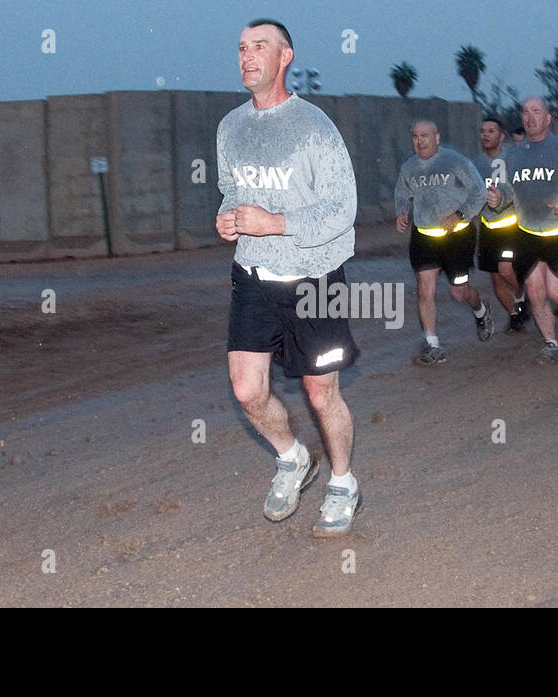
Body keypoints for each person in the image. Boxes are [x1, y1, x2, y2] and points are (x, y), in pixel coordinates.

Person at [215, 19, 361, 537]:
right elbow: (231, 189)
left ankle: (343, 483)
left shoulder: (314, 127)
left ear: (285, 57)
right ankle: (293, 457)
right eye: (241, 48)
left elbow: (344, 209)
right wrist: (228, 216)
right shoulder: (230, 127)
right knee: (246, 390)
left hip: (313, 280)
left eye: (260, 47)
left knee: (321, 394)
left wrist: (276, 224)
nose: (247, 56)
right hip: (253, 276)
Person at [486, 97, 558, 363]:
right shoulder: (513, 155)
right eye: (525, 112)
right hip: (527, 233)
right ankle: (551, 343)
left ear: (548, 119)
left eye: (537, 112)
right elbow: (508, 190)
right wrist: (499, 199)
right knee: (535, 292)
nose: (530, 117)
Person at [395, 119, 492, 364]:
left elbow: (479, 192)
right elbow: (402, 194)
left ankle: (480, 310)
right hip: (425, 237)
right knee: (425, 290)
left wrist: (460, 214)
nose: (420, 141)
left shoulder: (455, 161)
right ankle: (432, 344)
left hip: (457, 237)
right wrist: (402, 212)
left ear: (437, 137)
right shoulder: (409, 168)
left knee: (459, 292)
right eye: (416, 136)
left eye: (425, 136)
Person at [472, 116, 530, 332]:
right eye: (483, 131)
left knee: (506, 269)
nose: (486, 135)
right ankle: (515, 315)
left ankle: (523, 296)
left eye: (491, 131)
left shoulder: (513, 159)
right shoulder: (475, 165)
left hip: (512, 225)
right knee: (496, 277)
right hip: (488, 227)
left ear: (501, 135)